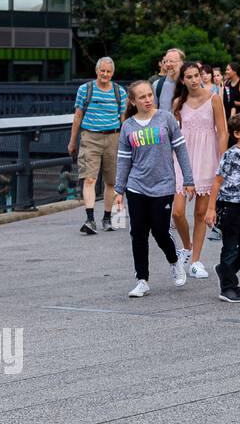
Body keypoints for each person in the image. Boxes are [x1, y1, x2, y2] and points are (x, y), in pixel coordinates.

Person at [114, 80, 196, 298]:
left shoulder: (166, 118)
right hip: (136, 185)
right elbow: (123, 159)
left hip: (163, 184)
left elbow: (181, 150)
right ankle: (142, 280)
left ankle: (174, 261)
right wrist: (119, 190)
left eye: (150, 95)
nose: (148, 99)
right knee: (138, 233)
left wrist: (188, 180)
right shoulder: (128, 126)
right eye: (142, 97)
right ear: (133, 101)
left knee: (160, 230)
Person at [170, 62, 227, 281]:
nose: (194, 80)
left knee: (201, 214)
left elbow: (222, 133)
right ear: (183, 80)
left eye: (197, 75)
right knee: (177, 212)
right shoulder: (178, 103)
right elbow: (173, 134)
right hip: (183, 159)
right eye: (189, 77)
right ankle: (186, 247)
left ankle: (195, 260)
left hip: (206, 157)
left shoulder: (214, 98)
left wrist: (221, 163)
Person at [204, 113, 240, 303]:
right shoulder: (230, 155)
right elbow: (217, 181)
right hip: (229, 206)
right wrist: (211, 209)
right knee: (231, 247)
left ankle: (224, 270)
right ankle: (228, 288)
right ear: (237, 133)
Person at [68, 56, 127, 235]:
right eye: (102, 71)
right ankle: (90, 219)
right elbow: (77, 116)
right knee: (90, 178)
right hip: (90, 137)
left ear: (113, 73)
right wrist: (72, 141)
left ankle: (108, 218)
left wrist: (126, 145)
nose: (105, 74)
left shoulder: (120, 92)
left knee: (112, 181)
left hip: (113, 137)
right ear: (96, 71)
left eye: (109, 72)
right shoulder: (85, 90)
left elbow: (124, 120)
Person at [152, 48, 184, 113]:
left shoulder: (189, 83)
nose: (168, 64)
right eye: (166, 61)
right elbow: (153, 111)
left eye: (171, 61)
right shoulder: (157, 85)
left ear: (181, 63)